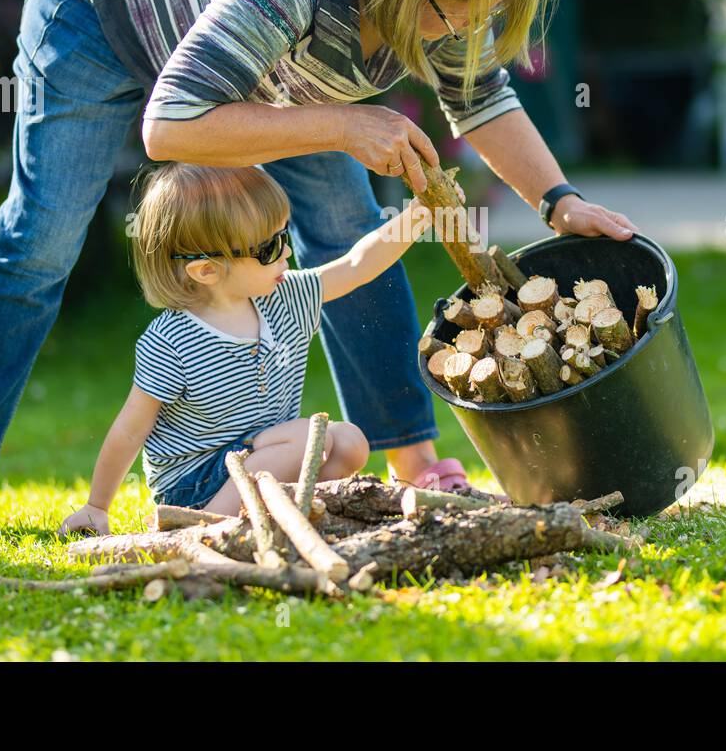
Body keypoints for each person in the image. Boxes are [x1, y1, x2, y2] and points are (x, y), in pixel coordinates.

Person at [0, 0, 637, 547]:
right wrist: (344, 123)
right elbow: (170, 126)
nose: (465, 37)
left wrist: (559, 202)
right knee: (43, 235)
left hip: (244, 22)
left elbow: (480, 97)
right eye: (455, 18)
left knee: (347, 222)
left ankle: (416, 464)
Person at [58, 162, 449, 535]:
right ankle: (200, 526)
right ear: (207, 270)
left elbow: (355, 265)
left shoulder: (287, 296)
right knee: (310, 439)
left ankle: (294, 513)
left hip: (269, 456)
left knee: (349, 442)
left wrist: (418, 215)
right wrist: (97, 505)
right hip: (198, 486)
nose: (286, 253)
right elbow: (129, 430)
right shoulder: (171, 342)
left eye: (285, 234)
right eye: (268, 248)